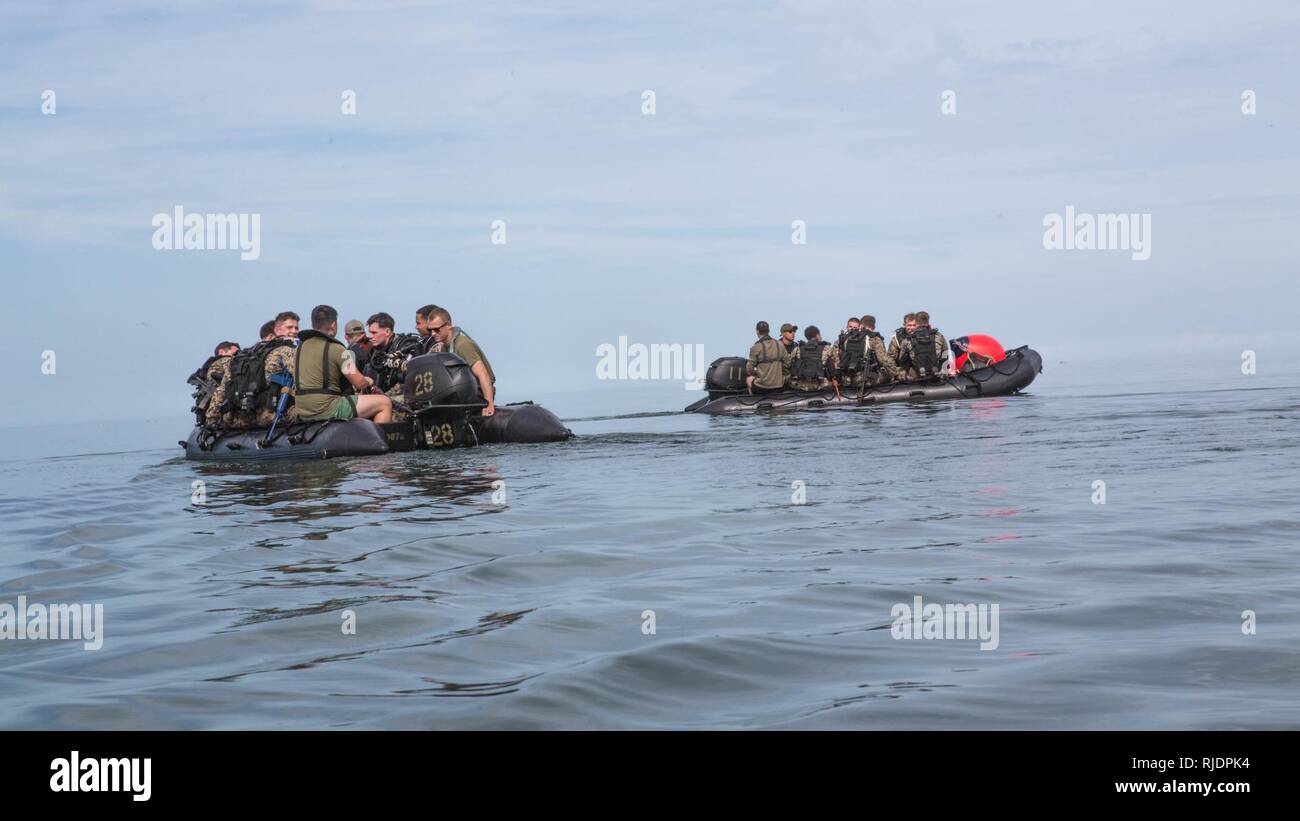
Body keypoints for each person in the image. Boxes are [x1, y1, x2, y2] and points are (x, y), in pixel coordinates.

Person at [293, 304, 392, 423]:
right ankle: (379, 441)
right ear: (334, 325)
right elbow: (359, 383)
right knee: (385, 403)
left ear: (313, 323)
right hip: (326, 408)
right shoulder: (337, 349)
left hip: (302, 409)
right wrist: (368, 381)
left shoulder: (299, 348)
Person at [427, 307, 497, 416]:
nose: (432, 333)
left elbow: (483, 375)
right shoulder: (442, 348)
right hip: (459, 393)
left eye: (436, 329)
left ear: (448, 324)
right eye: (430, 330)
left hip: (477, 394)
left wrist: (488, 404)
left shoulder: (462, 345)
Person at [258, 312, 300, 426]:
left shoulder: (260, 350)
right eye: (289, 327)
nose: (294, 331)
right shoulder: (286, 350)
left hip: (257, 412)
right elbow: (302, 378)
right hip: (275, 413)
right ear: (277, 330)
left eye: (296, 327)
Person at [900, 310, 948, 380]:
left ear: (916, 322)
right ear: (928, 322)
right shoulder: (939, 336)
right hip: (937, 375)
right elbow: (946, 354)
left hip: (916, 377)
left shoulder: (907, 340)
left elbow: (902, 362)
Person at [789, 326, 835, 392]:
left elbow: (790, 363)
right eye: (820, 334)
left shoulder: (798, 349)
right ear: (817, 335)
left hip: (802, 385)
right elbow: (835, 365)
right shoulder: (826, 348)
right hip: (822, 384)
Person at [745, 321, 786, 395]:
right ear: (769, 331)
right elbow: (788, 363)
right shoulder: (780, 344)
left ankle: (753, 401)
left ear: (757, 331)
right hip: (779, 386)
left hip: (762, 387)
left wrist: (756, 373)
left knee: (749, 379)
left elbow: (749, 369)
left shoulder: (755, 347)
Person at [859, 314, 902, 384]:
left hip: (848, 378)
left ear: (861, 325)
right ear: (874, 326)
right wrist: (896, 374)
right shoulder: (874, 339)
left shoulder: (850, 338)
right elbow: (884, 360)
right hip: (867, 378)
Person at [833, 317, 872, 390]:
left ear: (859, 328)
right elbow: (836, 358)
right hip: (847, 375)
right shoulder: (840, 341)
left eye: (855, 327)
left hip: (860, 374)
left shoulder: (866, 340)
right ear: (846, 327)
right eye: (850, 327)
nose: (852, 329)